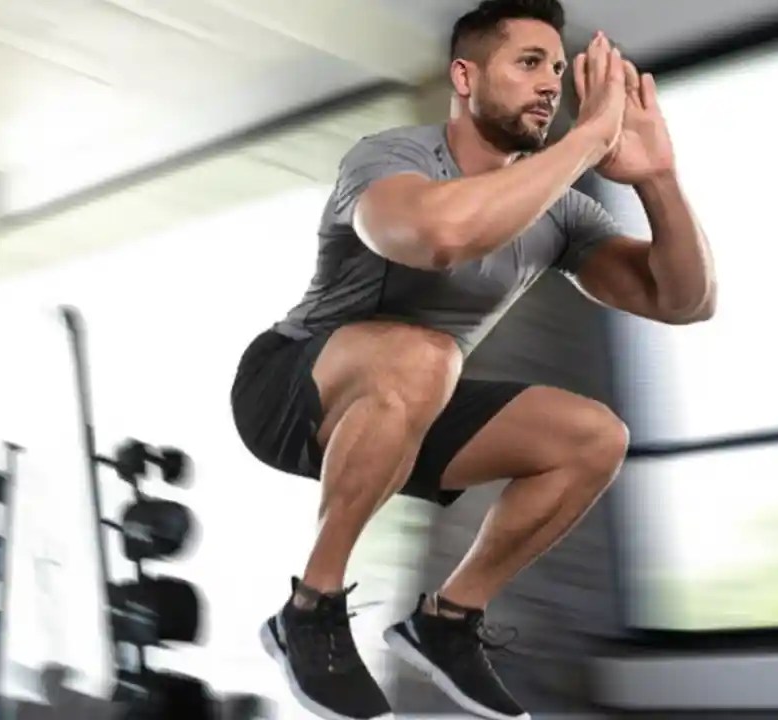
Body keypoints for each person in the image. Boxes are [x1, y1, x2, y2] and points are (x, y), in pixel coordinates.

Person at [230, 0, 715, 718]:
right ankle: (309, 610)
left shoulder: (559, 212)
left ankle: (448, 621)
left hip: (414, 402)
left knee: (593, 438)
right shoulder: (392, 158)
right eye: (529, 63)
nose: (550, 84)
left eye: (558, 69)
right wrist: (587, 141)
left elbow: (682, 300)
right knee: (426, 354)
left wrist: (658, 178)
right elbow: (438, 239)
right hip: (290, 388)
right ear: (465, 76)